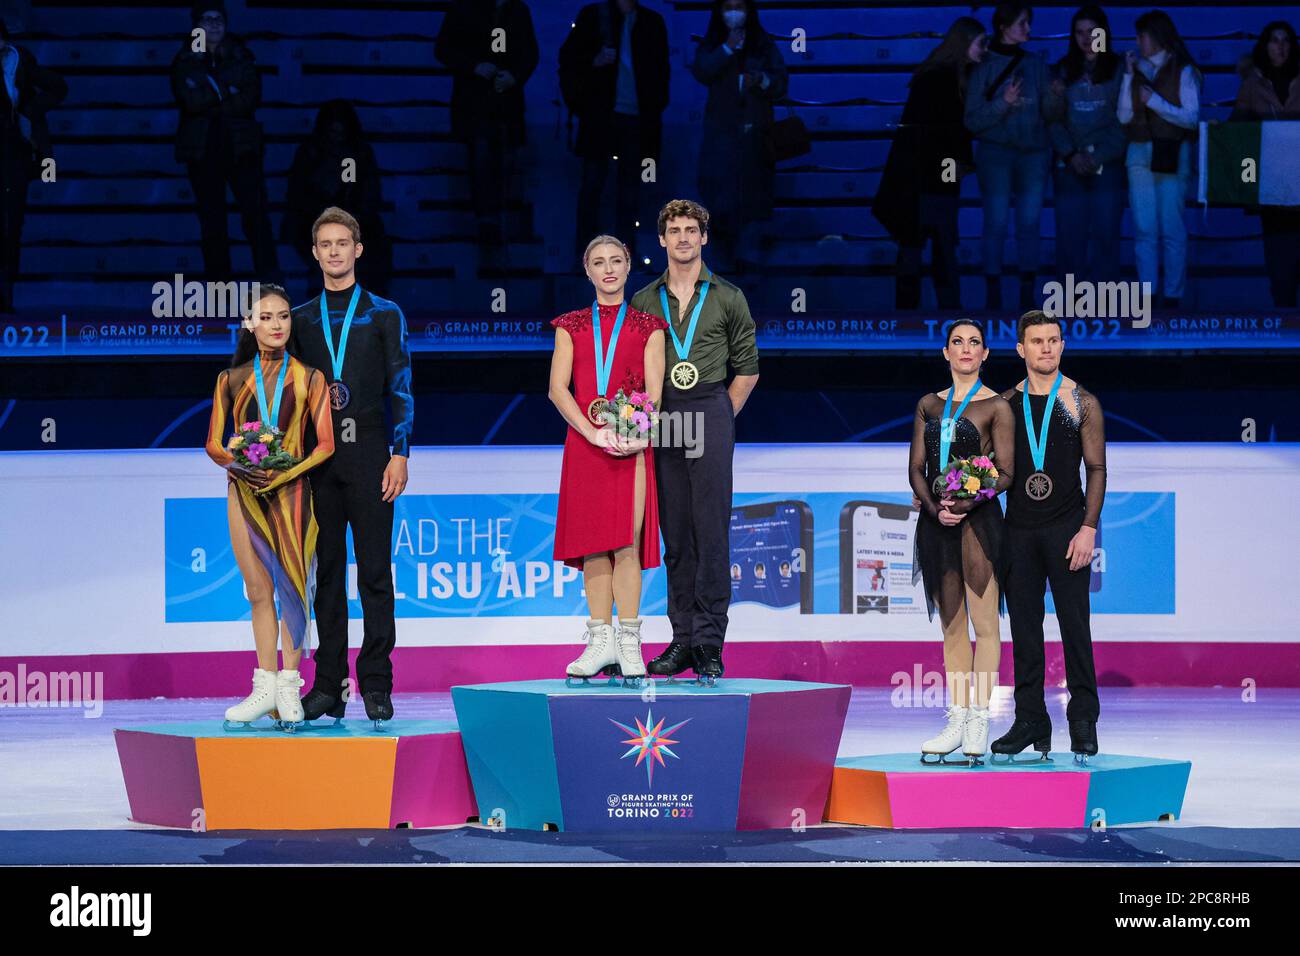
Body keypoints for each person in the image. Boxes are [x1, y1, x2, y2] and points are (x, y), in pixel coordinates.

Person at [288, 207, 414, 729]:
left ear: (358, 250)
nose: (335, 251)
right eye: (326, 244)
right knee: (328, 577)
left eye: (344, 242)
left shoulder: (384, 313)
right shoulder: (298, 319)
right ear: (315, 252)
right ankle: (329, 688)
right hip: (318, 460)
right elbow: (287, 398)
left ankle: (378, 685)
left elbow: (401, 386)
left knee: (376, 575)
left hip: (369, 452)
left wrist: (401, 452)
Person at [630, 199, 760, 683]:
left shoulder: (728, 297)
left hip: (710, 406)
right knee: (676, 534)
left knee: (710, 532)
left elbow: (747, 370)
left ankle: (708, 642)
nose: (683, 238)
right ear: (661, 240)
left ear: (704, 238)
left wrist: (720, 417)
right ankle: (681, 639)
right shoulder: (644, 301)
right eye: (674, 230)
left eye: (691, 230)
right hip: (662, 414)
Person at [204, 283, 335, 729]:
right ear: (250, 324)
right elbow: (213, 444)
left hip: (294, 492)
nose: (276, 324)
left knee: (294, 592)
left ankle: (289, 688)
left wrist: (285, 472)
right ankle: (263, 688)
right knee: (258, 591)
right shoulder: (231, 379)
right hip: (243, 493)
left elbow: (325, 446)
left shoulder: (311, 378)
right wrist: (239, 465)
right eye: (266, 317)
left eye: (282, 316)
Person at [549, 234, 667, 681]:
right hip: (586, 444)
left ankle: (631, 642)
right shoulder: (571, 325)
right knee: (592, 544)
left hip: (632, 446)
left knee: (626, 542)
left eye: (616, 260)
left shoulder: (648, 327)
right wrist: (592, 432)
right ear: (588, 270)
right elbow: (557, 389)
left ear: (628, 265)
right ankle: (600, 641)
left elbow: (654, 393)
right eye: (599, 262)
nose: (608, 268)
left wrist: (638, 435)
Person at [992, 310, 1106, 764]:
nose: (1046, 348)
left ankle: (1083, 720)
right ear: (1021, 349)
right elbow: (990, 468)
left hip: (1067, 529)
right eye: (1036, 341)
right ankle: (1031, 719)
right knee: (1024, 631)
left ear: (1062, 345)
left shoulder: (1081, 402)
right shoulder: (1004, 405)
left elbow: (1096, 469)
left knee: (1076, 628)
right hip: (1017, 530)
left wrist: (1088, 528)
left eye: (1053, 340)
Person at [908, 318, 1013, 763]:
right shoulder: (929, 404)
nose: (966, 349)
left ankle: (978, 719)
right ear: (945, 352)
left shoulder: (996, 407)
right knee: (952, 624)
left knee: (984, 623)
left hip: (979, 523)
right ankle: (955, 717)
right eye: (958, 342)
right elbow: (916, 467)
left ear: (985, 354)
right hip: (936, 524)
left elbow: (1005, 473)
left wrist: (966, 506)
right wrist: (936, 510)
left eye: (975, 343)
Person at [874, 17, 986, 310]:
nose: (983, 50)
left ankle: (910, 318)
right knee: (937, 249)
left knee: (920, 247)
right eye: (980, 43)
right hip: (929, 180)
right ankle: (943, 315)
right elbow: (942, 134)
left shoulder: (938, 75)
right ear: (965, 43)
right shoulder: (943, 79)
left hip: (924, 178)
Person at [170, 3, 279, 282]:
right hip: (203, 150)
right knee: (213, 221)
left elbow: (250, 99)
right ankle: (220, 289)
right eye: (207, 19)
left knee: (255, 217)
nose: (214, 24)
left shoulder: (243, 56)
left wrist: (210, 94)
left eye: (218, 19)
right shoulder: (184, 60)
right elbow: (191, 101)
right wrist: (228, 91)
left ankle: (271, 284)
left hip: (241, 148)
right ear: (196, 24)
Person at [559, 0, 670, 263]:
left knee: (630, 191)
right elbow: (569, 60)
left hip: (636, 117)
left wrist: (654, 106)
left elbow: (661, 72)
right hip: (600, 115)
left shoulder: (651, 22)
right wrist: (592, 63)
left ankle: (625, 254)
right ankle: (585, 255)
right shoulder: (594, 16)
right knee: (592, 186)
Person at [965, 3, 1058, 310]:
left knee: (1030, 222)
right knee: (997, 221)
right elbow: (972, 121)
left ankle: (1026, 292)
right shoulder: (983, 65)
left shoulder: (1036, 65)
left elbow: (1050, 114)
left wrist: (1056, 97)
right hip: (996, 153)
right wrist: (1003, 104)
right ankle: (993, 292)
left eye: (1029, 22)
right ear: (1004, 26)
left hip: (1034, 153)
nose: (1028, 29)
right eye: (1022, 23)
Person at [434, 0, 539, 270]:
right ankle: (486, 220)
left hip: (506, 102)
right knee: (481, 157)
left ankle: (498, 218)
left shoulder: (518, 10)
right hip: (474, 100)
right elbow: (444, 49)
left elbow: (530, 53)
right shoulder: (463, 8)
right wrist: (474, 66)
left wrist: (514, 76)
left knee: (504, 160)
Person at [690, 0, 788, 272]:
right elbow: (702, 70)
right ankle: (724, 262)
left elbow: (781, 81)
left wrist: (762, 80)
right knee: (720, 199)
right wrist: (727, 48)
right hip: (721, 136)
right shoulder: (713, 41)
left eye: (739, 6)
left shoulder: (763, 43)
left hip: (755, 134)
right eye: (728, 7)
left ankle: (748, 264)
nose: (734, 13)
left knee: (753, 200)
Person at [1118, 10, 1201, 310]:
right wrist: (1128, 75)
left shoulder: (1185, 70)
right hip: (1139, 153)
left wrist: (1155, 101)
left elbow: (1191, 119)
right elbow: (1123, 116)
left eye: (1142, 36)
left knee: (1171, 228)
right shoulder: (1134, 69)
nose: (1138, 42)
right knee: (1144, 230)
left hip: (1172, 154)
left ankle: (1174, 297)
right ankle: (1147, 297)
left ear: (1156, 36)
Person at [1049, 5, 1126, 287]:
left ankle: (1104, 311)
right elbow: (1053, 120)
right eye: (1079, 32)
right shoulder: (1060, 69)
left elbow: (1125, 120)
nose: (1085, 38)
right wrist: (1071, 155)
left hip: (1108, 165)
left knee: (1107, 238)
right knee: (1070, 240)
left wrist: (1098, 155)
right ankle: (1070, 309)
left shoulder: (1120, 70)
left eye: (1091, 31)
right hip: (1068, 167)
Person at [282, 100, 392, 297]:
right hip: (312, 222)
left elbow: (369, 194)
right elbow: (298, 196)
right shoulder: (310, 153)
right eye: (332, 133)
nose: (337, 138)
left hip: (356, 223)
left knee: (372, 243)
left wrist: (352, 216)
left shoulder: (359, 154)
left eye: (341, 133)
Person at [1230, 21, 1300, 307]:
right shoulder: (1251, 84)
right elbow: (1237, 128)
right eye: (1274, 40)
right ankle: (1285, 321)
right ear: (1265, 45)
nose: (1280, 46)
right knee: (1278, 252)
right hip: (1271, 184)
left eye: (1285, 40)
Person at [0, 17, 67, 313]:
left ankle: (4, 293)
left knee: (10, 225)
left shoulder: (20, 60)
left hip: (13, 154)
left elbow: (58, 87)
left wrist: (28, 110)